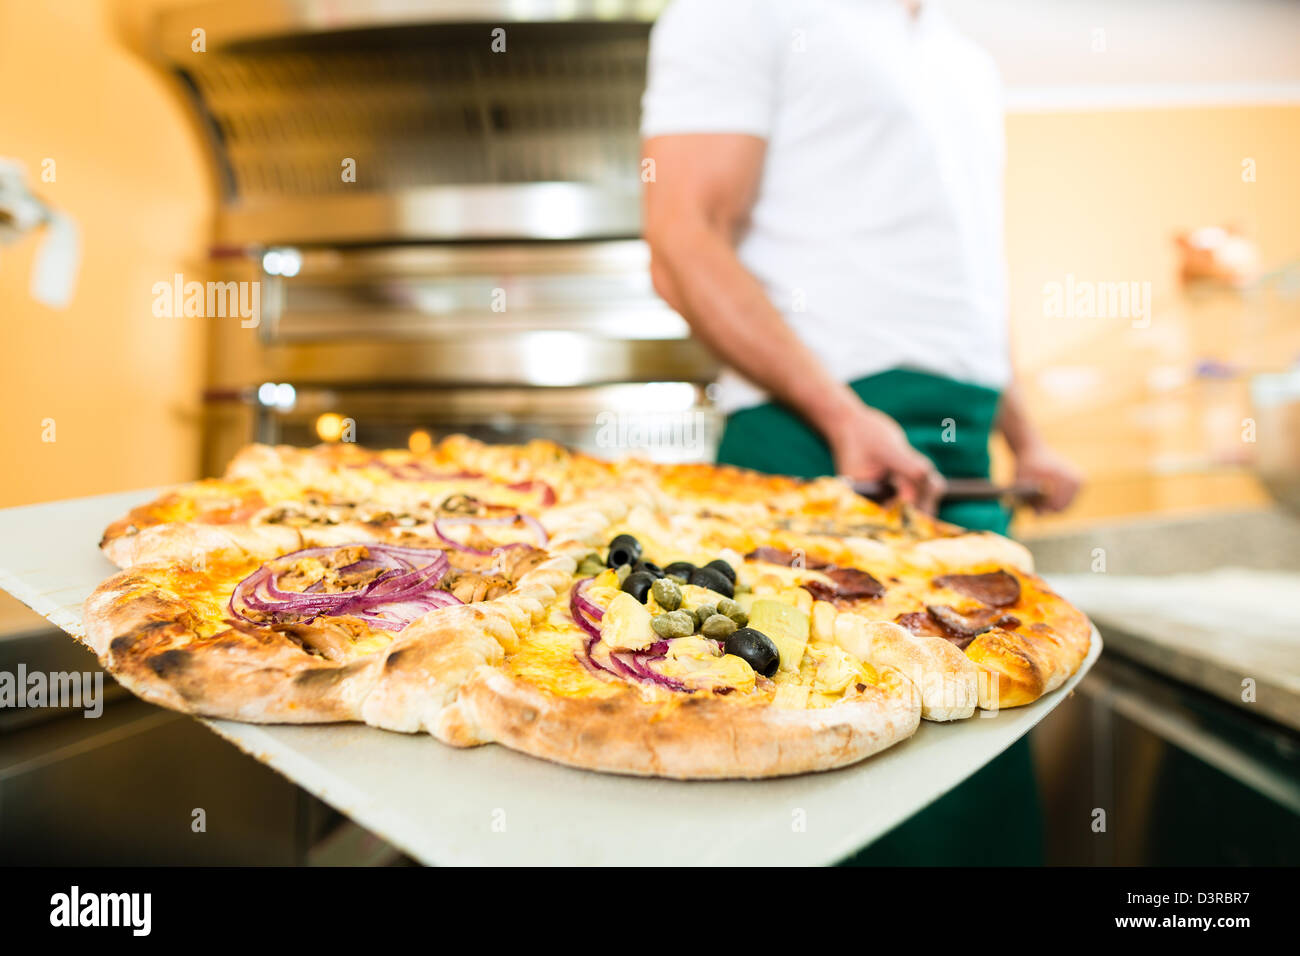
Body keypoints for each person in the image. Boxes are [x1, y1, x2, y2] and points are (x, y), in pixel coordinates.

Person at [640, 0, 1082, 864]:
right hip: (809, 447)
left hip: (960, 464)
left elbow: (966, 276)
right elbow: (679, 236)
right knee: (824, 792)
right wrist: (842, 414)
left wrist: (1026, 436)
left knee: (978, 796)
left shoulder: (965, 59)